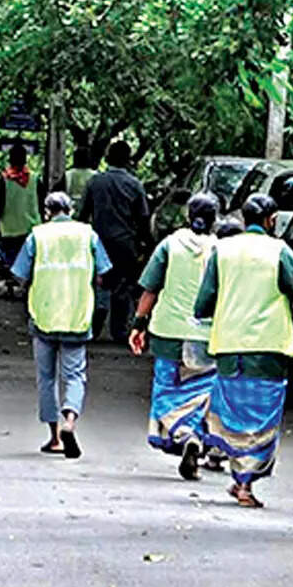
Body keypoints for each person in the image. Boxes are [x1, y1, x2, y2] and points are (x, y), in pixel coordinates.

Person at [194, 194, 293, 508]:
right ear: (271, 220)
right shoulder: (279, 252)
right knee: (262, 418)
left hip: (229, 346)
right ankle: (246, 482)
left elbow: (203, 303)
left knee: (233, 412)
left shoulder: (223, 251)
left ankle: (237, 477)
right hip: (269, 348)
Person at [11, 192, 112, 459]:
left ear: (47, 211)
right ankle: (70, 420)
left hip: (43, 316)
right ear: (71, 209)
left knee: (46, 378)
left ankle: (54, 437)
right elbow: (103, 274)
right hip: (76, 315)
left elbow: (19, 275)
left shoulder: (37, 236)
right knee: (75, 375)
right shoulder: (88, 235)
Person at [129, 192, 219, 480]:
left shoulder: (169, 245)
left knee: (167, 388)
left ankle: (181, 433)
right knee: (203, 392)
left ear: (187, 215)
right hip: (207, 335)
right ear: (215, 218)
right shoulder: (221, 249)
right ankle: (194, 434)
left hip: (168, 333)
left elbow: (150, 289)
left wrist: (138, 324)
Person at [79, 140, 150, 342]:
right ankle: (119, 331)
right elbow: (143, 218)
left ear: (107, 158)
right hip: (125, 243)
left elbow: (83, 214)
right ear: (128, 160)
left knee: (98, 283)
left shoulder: (95, 182)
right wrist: (146, 243)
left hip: (98, 242)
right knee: (122, 287)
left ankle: (94, 322)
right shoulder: (135, 185)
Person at [0, 144, 44, 294]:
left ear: (10, 159)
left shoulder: (5, 179)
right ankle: (27, 286)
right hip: (32, 227)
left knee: (11, 259)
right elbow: (42, 202)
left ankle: (10, 287)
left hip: (10, 226)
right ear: (26, 160)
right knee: (29, 258)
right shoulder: (35, 179)